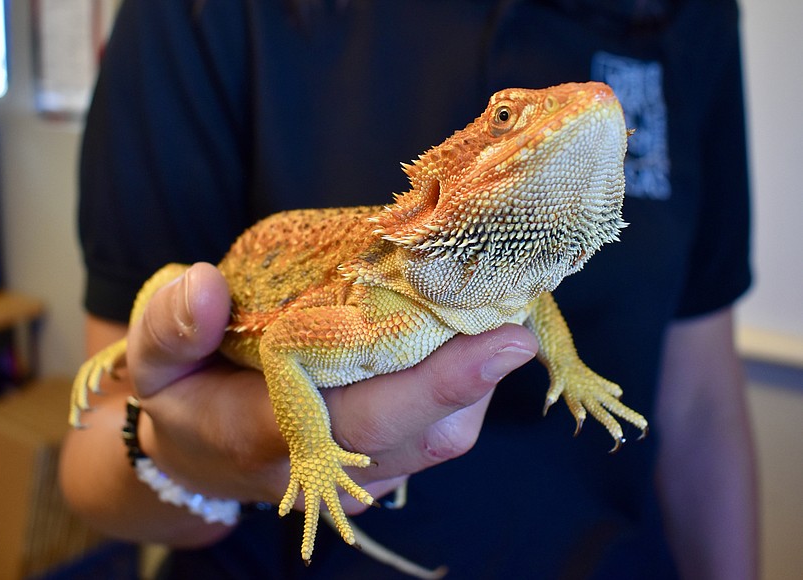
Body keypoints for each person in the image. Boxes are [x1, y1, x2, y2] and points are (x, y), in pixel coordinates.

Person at [60, 0, 758, 578]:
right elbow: (285, 350)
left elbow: (694, 399)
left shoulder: (690, 17)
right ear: (442, 186)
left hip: (613, 558)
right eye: (510, 119)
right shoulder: (384, 313)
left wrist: (568, 370)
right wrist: (253, 452)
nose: (588, 105)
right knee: (179, 288)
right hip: (266, 552)